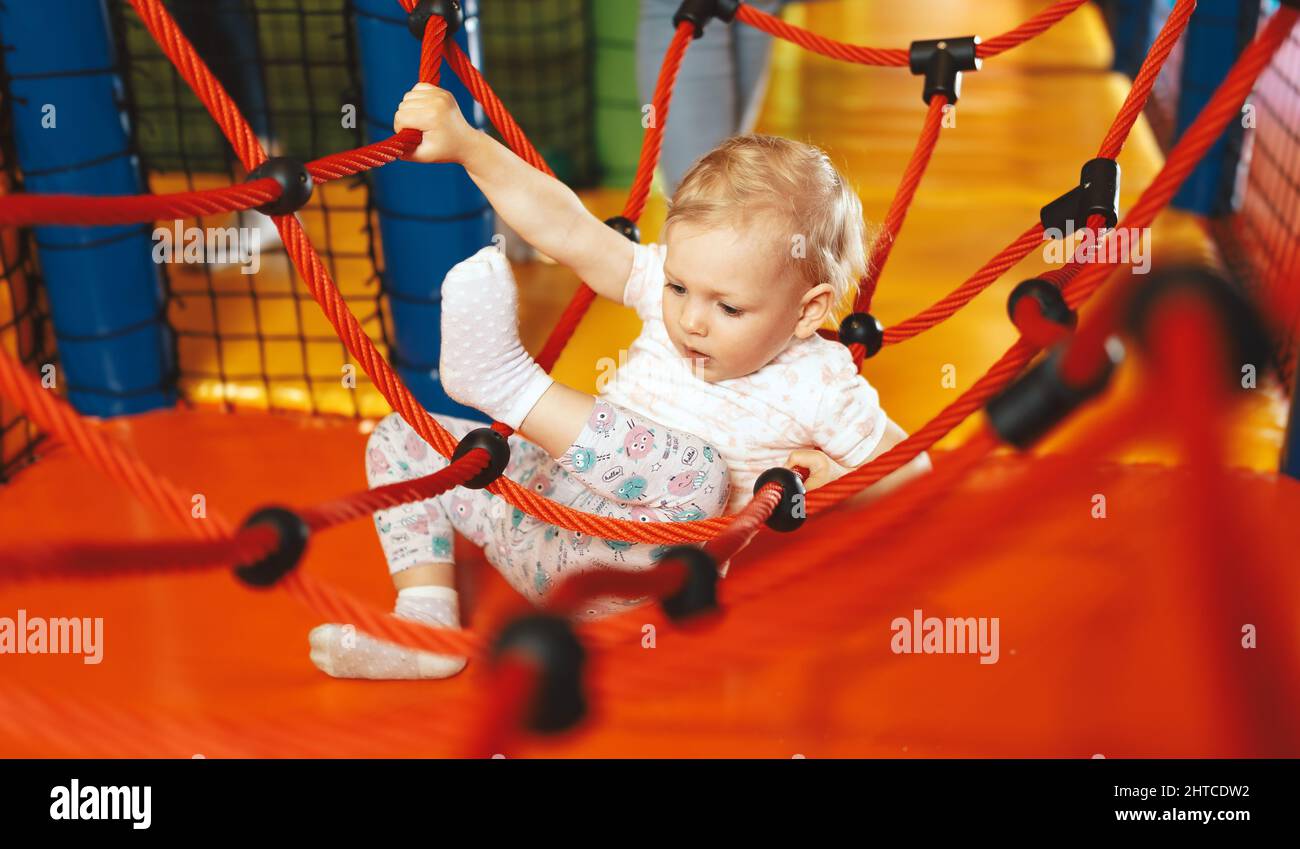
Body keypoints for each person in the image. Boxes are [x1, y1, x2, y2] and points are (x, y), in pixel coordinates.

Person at [307, 83, 931, 680]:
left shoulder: (820, 382)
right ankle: (425, 627)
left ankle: (510, 386)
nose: (690, 318)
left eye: (729, 308)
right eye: (680, 287)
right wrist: (470, 145)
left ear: (807, 311)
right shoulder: (666, 285)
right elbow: (569, 231)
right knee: (402, 437)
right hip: (536, 515)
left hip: (627, 570)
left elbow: (912, 473)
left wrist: (840, 481)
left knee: (699, 472)